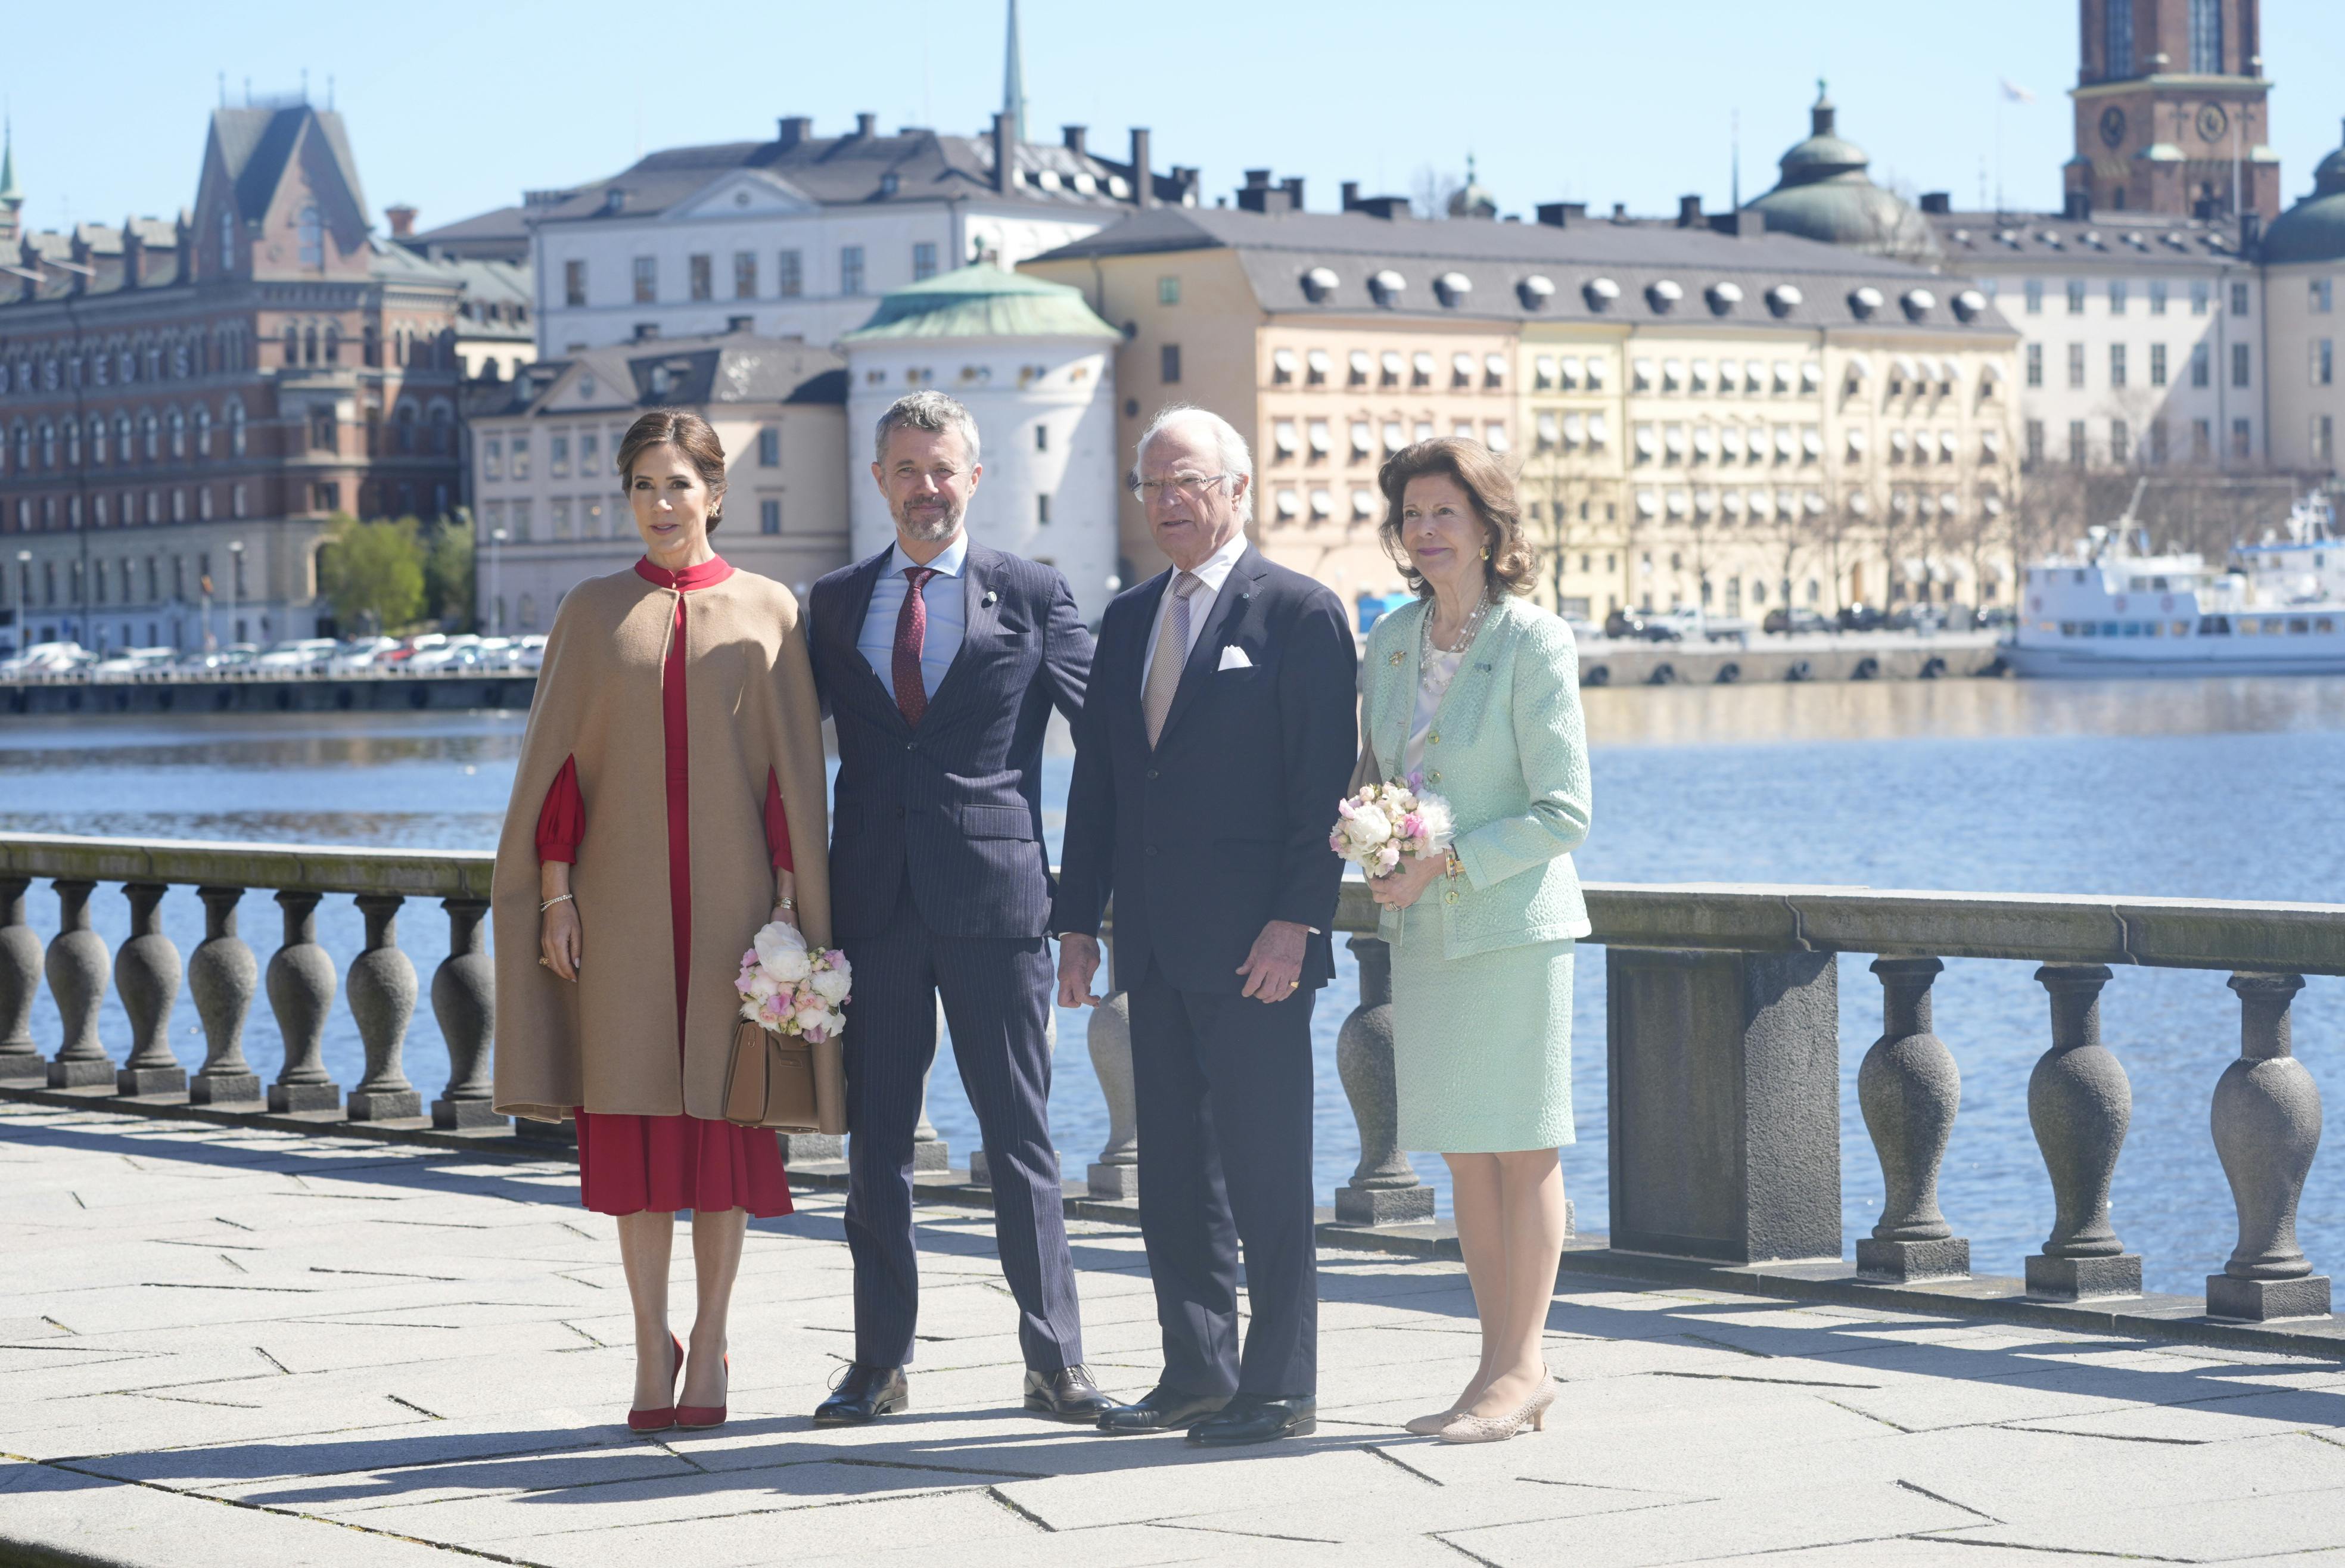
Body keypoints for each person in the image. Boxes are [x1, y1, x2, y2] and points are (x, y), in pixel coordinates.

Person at [491, 408, 831, 1436]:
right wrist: (555, 898)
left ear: (715, 494)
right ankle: (650, 1339)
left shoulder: (771, 610)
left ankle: (715, 1333)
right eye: (642, 486)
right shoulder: (592, 613)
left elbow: (792, 786)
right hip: (622, 921)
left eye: (678, 484)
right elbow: (556, 776)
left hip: (735, 924)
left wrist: (788, 911)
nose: (660, 505)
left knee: (724, 1141)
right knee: (637, 1136)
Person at [1054, 405, 1357, 1446]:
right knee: (1173, 1173)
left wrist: (1295, 926)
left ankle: (1280, 1387)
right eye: (1152, 487)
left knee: (1269, 1173)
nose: (1170, 502)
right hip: (1148, 943)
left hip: (1258, 951)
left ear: (1238, 490)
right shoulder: (1130, 617)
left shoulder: (1301, 613)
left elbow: (1325, 791)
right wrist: (1078, 923)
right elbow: (1099, 780)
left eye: (1189, 482)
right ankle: (1195, 1373)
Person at [803, 391, 1107, 1427]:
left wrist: (1089, 906)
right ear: (878, 481)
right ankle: (878, 1363)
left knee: (1020, 1140)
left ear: (973, 479)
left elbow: (1109, 746)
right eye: (906, 470)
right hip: (874, 911)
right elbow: (772, 756)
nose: (926, 488)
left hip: (998, 906)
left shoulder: (1031, 593)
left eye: (943, 470)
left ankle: (1056, 1361)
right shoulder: (836, 603)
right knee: (877, 1144)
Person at [1355, 438, 1591, 1445]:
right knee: (1464, 1155)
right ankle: (1496, 1366)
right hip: (1422, 931)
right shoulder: (1392, 639)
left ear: (1492, 528)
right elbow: (1379, 773)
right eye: (1411, 514)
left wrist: (1442, 862)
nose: (1426, 531)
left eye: (1445, 512)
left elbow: (1564, 811)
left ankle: (1522, 1366)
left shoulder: (1534, 641)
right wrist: (1373, 841)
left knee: (1522, 1148)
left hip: (1511, 925)